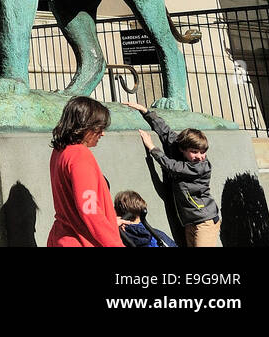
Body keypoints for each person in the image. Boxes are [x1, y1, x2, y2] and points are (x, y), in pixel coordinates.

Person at [123, 100, 220, 246]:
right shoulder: (178, 147)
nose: (200, 156)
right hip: (189, 221)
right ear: (182, 149)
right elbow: (164, 130)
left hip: (204, 221)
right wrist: (145, 111)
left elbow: (172, 166)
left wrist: (152, 148)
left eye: (202, 152)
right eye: (194, 152)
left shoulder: (201, 167)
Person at [47, 96, 123, 247]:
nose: (102, 133)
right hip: (82, 241)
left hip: (62, 237)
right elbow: (89, 209)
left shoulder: (59, 152)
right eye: (99, 128)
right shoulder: (80, 155)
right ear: (84, 126)